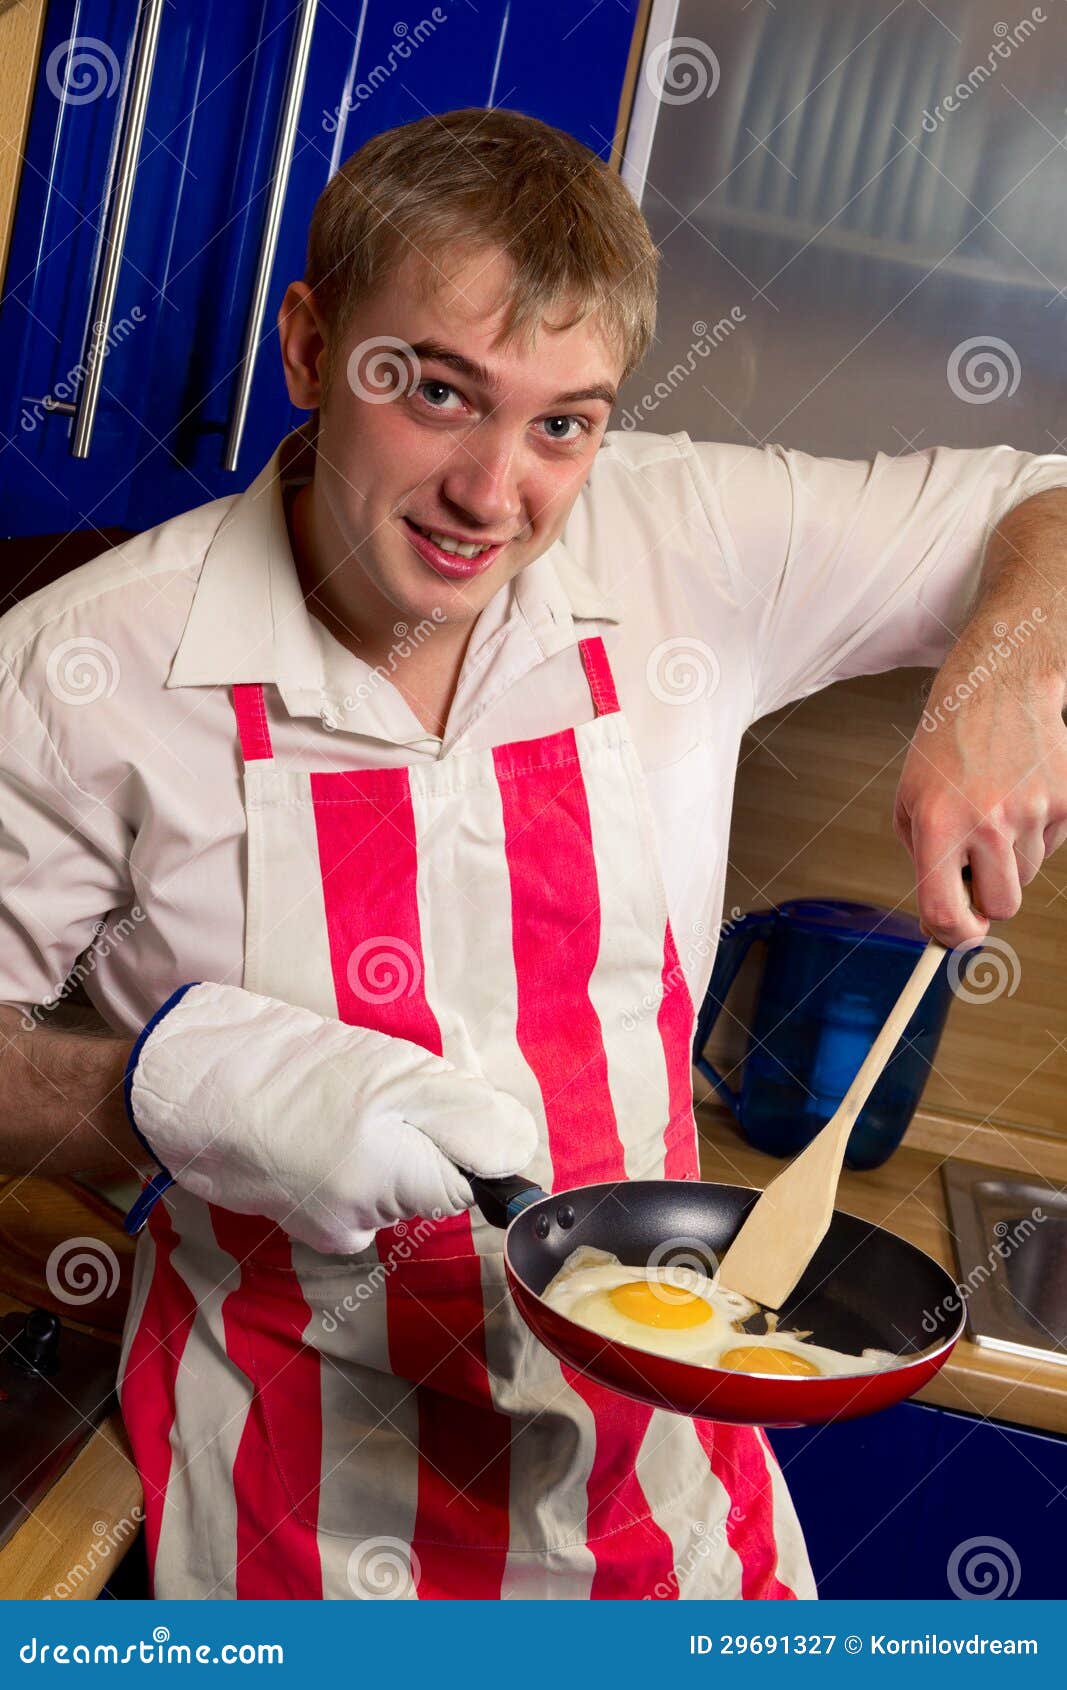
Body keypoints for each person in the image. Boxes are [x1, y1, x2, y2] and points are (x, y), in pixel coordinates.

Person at [2, 106, 1066, 1602]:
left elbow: (1042, 498)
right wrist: (157, 1088)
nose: (493, 494)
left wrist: (1000, 683)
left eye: (564, 423)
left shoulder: (687, 537)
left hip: (674, 1535)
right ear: (310, 349)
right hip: (296, 1537)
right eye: (439, 392)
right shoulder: (79, 673)